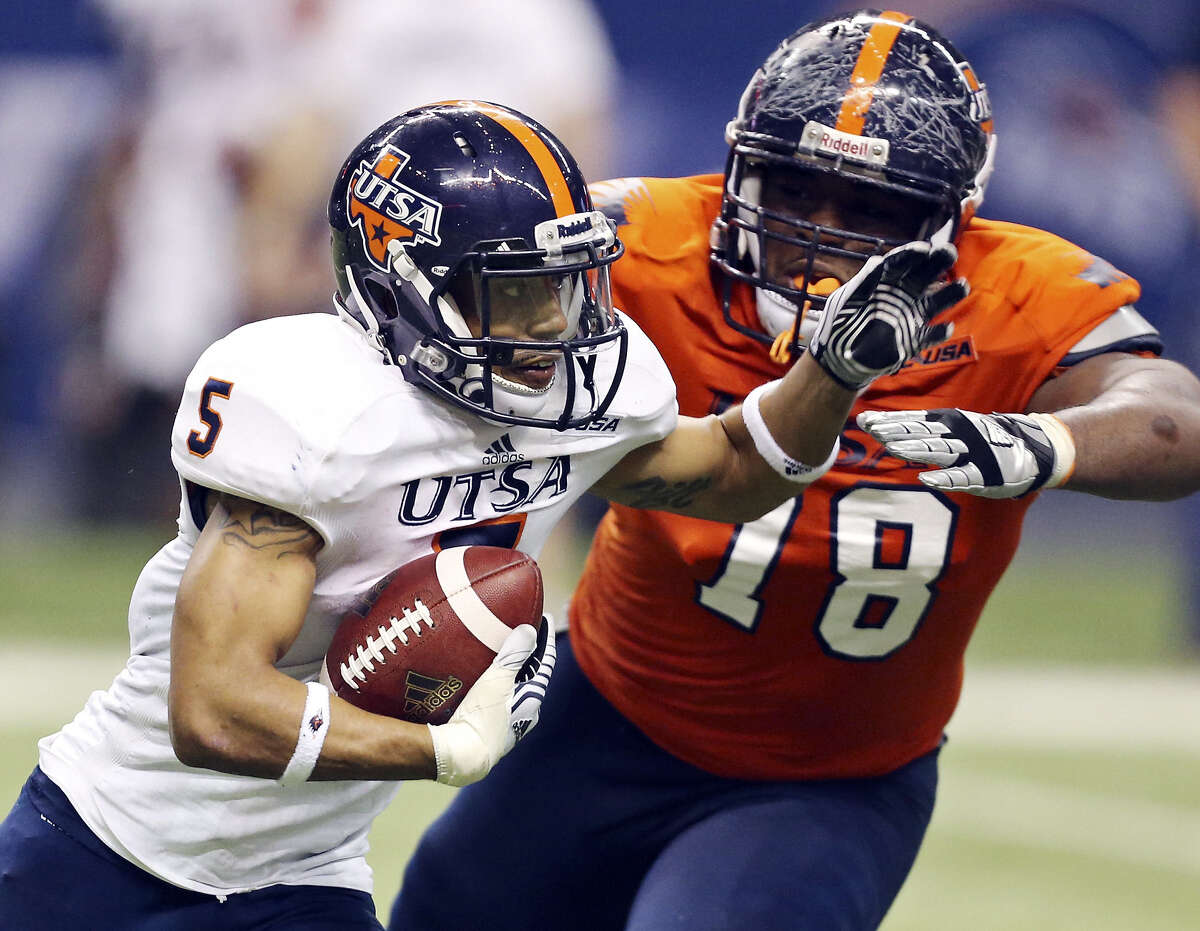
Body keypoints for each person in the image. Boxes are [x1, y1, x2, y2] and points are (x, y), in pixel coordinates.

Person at [0, 98, 950, 929]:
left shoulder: (587, 389)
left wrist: (830, 374)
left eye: (568, 284)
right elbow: (210, 709)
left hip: (299, 877)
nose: (554, 327)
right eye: (516, 291)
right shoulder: (314, 407)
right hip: (100, 844)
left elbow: (732, 468)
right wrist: (444, 748)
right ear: (403, 282)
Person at [391, 12, 1200, 931]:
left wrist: (1054, 444)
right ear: (739, 170)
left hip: (829, 783)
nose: (820, 234)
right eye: (796, 188)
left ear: (948, 224)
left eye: (870, 210)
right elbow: (451, 310)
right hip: (609, 714)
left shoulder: (1019, 295)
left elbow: (1176, 419)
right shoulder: (647, 244)